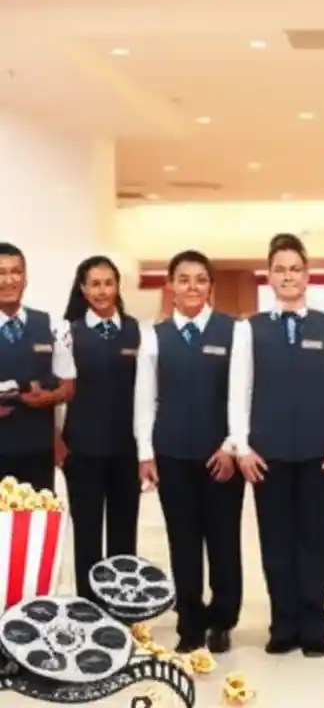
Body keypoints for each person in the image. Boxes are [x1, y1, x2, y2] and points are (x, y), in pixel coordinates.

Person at [228, 233, 324, 657]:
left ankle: (314, 624)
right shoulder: (250, 329)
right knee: (276, 542)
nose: (288, 276)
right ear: (269, 276)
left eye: (295, 269)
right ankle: (283, 624)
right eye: (280, 270)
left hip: (321, 453)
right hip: (268, 455)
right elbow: (239, 391)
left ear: (307, 275)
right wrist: (242, 447)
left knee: (315, 540)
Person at [134, 250, 242, 654]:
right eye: (184, 279)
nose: (192, 287)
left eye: (200, 279)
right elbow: (145, 399)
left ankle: (223, 619)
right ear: (170, 287)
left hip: (221, 456)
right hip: (173, 454)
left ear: (210, 286)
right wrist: (146, 452)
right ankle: (190, 623)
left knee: (223, 540)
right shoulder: (154, 337)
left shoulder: (234, 331)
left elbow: (242, 394)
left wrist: (232, 445)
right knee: (183, 542)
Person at [60, 255, 142, 600]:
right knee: (87, 535)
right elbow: (60, 394)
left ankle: (122, 606)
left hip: (126, 451)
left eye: (109, 283)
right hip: (82, 451)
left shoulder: (137, 331)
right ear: (83, 288)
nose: (102, 291)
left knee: (124, 534)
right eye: (95, 284)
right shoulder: (68, 333)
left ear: (118, 286)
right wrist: (59, 443)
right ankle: (90, 608)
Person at [0, 242, 76, 493]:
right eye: (1, 273)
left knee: (37, 515)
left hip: (37, 449)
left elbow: (68, 386)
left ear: (25, 278)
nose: (8, 280)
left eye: (15, 272)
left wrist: (47, 397)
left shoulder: (50, 324)